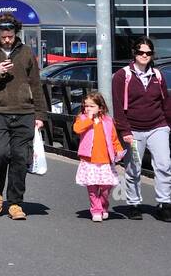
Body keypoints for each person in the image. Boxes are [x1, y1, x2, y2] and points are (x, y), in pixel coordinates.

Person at [0, 14, 47, 221]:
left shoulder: (26, 53)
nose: (8, 39)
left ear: (16, 33)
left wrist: (40, 114)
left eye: (11, 35)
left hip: (24, 112)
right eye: (4, 36)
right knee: (0, 154)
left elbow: (36, 85)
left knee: (20, 159)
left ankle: (15, 203)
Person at [111, 36, 171, 222]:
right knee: (133, 168)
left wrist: (168, 125)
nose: (144, 55)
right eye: (141, 52)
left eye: (148, 53)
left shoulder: (157, 75)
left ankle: (164, 204)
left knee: (164, 165)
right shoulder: (123, 76)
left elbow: (165, 102)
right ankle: (134, 203)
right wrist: (125, 131)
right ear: (134, 53)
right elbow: (118, 106)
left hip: (158, 126)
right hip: (133, 129)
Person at [73, 91, 128, 222]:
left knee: (105, 187)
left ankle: (103, 205)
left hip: (105, 160)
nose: (88, 109)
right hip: (89, 160)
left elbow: (114, 138)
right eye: (86, 106)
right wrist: (89, 119)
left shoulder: (108, 121)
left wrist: (119, 150)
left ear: (100, 107)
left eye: (92, 106)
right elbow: (77, 129)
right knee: (92, 188)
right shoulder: (82, 118)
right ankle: (96, 210)